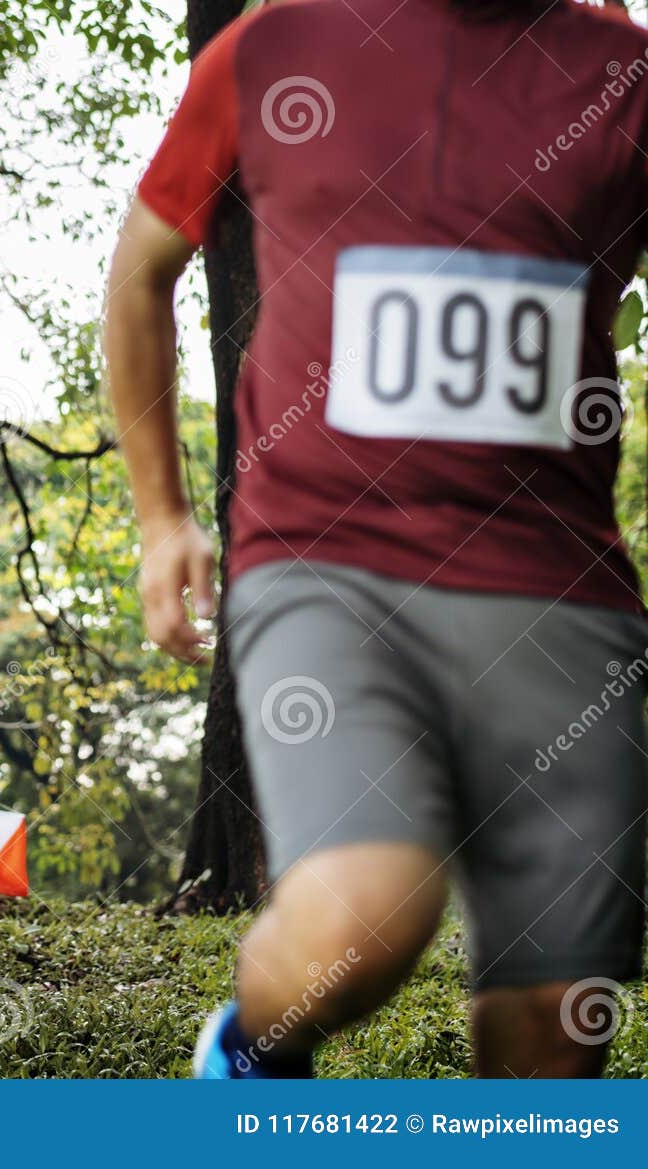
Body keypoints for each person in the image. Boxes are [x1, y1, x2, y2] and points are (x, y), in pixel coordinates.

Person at [104, 0, 648, 1078]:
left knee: (556, 1020)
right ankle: (248, 1061)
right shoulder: (275, 48)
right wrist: (162, 519)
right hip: (326, 561)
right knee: (363, 914)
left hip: (562, 593)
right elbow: (140, 271)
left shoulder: (624, 76)